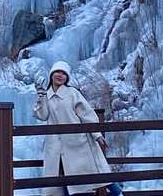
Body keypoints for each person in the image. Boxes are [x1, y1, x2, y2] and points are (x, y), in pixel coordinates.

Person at [33, 61, 123, 196]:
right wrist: (41, 95)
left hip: (78, 143)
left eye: (64, 73)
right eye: (58, 72)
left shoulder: (72, 93)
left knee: (96, 172)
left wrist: (96, 134)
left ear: (67, 78)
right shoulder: (46, 95)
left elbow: (87, 114)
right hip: (56, 146)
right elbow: (42, 115)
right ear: (51, 74)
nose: (60, 75)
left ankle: (117, 193)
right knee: (63, 179)